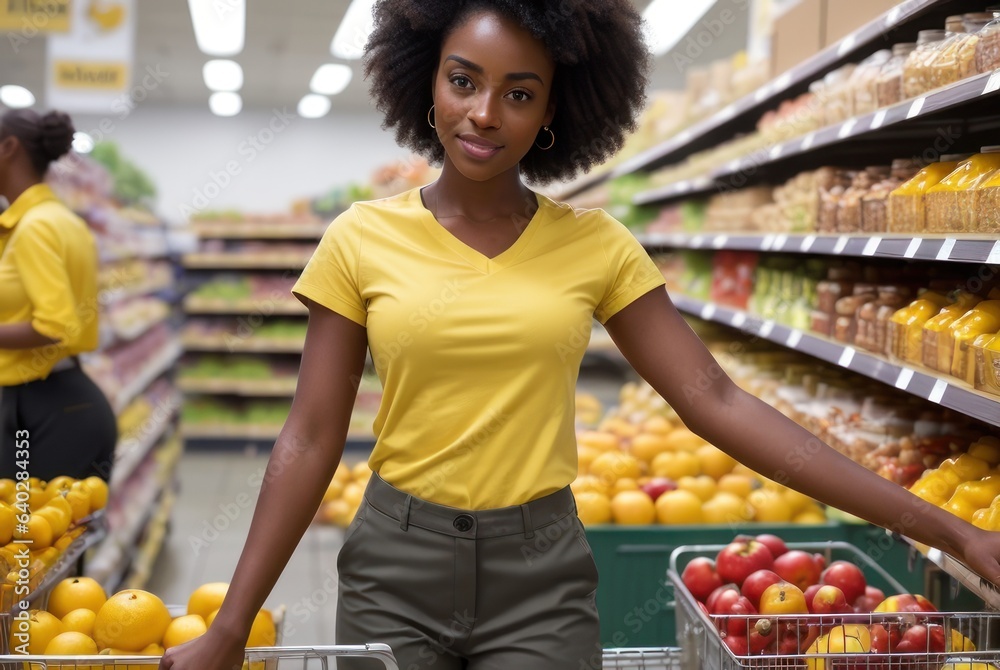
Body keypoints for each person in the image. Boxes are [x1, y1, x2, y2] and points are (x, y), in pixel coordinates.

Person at [160, 2, 1000, 669]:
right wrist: (235, 624)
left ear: (555, 109)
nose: (484, 114)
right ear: (427, 82)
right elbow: (309, 436)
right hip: (393, 566)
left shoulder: (596, 245)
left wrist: (950, 529)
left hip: (543, 573)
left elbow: (714, 400)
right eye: (464, 81)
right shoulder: (358, 238)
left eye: (518, 92)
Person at [0, 108, 117, 482]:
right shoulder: (61, 219)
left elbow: (54, 324)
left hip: (41, 409)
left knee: (24, 536)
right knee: (53, 536)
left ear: (9, 148)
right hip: (66, 399)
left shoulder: (35, 227)